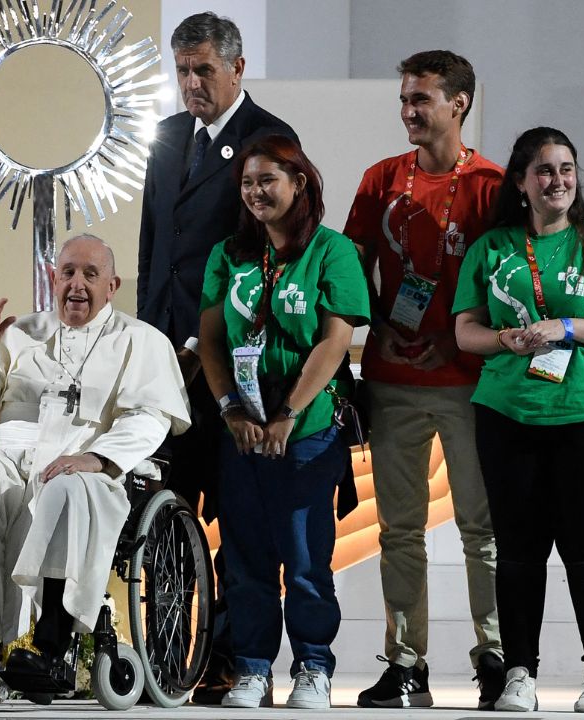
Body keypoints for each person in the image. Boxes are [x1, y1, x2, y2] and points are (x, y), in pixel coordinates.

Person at [0, 235, 190, 700]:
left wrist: (95, 458)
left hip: (93, 467)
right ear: (53, 279)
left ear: (112, 285)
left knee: (66, 490)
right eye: (67, 272)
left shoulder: (141, 340)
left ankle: (53, 645)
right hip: (11, 462)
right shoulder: (20, 332)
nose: (76, 284)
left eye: (89, 274)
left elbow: (150, 418)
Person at [453, 127, 584, 714]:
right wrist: (503, 338)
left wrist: (567, 327)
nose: (557, 180)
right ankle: (519, 675)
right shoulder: (493, 248)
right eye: (544, 170)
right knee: (517, 552)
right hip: (508, 411)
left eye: (566, 168)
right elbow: (465, 332)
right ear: (520, 181)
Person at [137, 12, 296, 701]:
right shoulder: (168, 138)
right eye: (182, 70)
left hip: (232, 367)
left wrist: (215, 351)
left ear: (236, 68)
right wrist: (148, 345)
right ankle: (170, 657)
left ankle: (235, 657)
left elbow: (274, 256)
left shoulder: (270, 140)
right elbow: (153, 251)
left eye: (203, 69)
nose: (191, 83)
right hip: (166, 368)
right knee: (166, 513)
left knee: (239, 520)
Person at [342, 50, 505, 710]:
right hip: (393, 378)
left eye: (422, 100)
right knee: (399, 532)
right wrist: (378, 323)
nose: (408, 111)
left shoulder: (492, 183)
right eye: (405, 99)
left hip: (470, 381)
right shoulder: (382, 179)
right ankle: (406, 666)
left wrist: (460, 331)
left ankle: (496, 659)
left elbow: (509, 281)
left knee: (482, 530)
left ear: (459, 104)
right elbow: (350, 267)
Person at [197, 136, 370, 710]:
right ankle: (251, 667)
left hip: (310, 427)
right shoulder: (228, 254)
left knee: (304, 559)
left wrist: (289, 415)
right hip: (242, 426)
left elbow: (334, 343)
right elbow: (214, 344)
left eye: (267, 180)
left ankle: (314, 665)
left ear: (299, 182)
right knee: (244, 558)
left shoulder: (333, 251)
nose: (255, 192)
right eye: (247, 182)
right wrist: (230, 410)